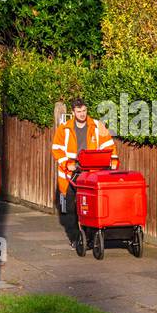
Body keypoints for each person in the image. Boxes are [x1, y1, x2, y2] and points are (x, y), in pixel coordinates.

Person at [50, 98, 118, 245]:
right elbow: (56, 149)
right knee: (70, 208)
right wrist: (67, 164)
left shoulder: (97, 126)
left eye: (84, 111)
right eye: (79, 111)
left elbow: (109, 145)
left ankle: (91, 237)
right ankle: (75, 238)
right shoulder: (64, 128)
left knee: (90, 206)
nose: (82, 114)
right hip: (70, 174)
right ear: (73, 112)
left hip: (92, 173)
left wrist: (113, 163)